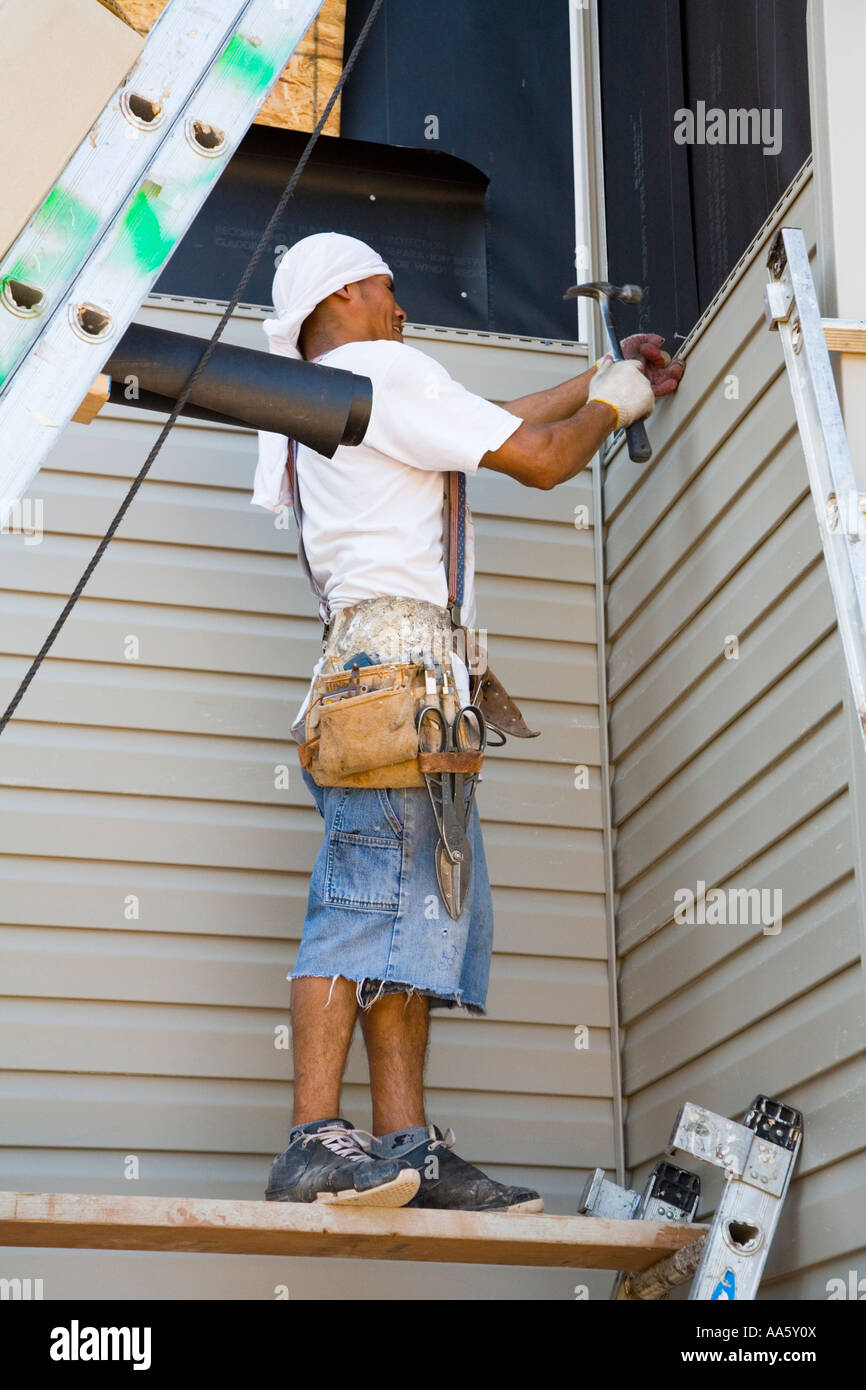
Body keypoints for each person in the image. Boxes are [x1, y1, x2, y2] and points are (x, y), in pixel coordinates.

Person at [253, 233, 684, 1211]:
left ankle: (405, 1147)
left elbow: (490, 421)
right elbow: (532, 459)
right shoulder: (380, 367)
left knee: (408, 920)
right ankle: (312, 1141)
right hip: (399, 685)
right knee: (364, 904)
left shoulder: (345, 392)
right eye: (391, 291)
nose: (402, 308)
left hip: (404, 687)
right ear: (353, 290)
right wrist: (618, 405)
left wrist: (599, 379)